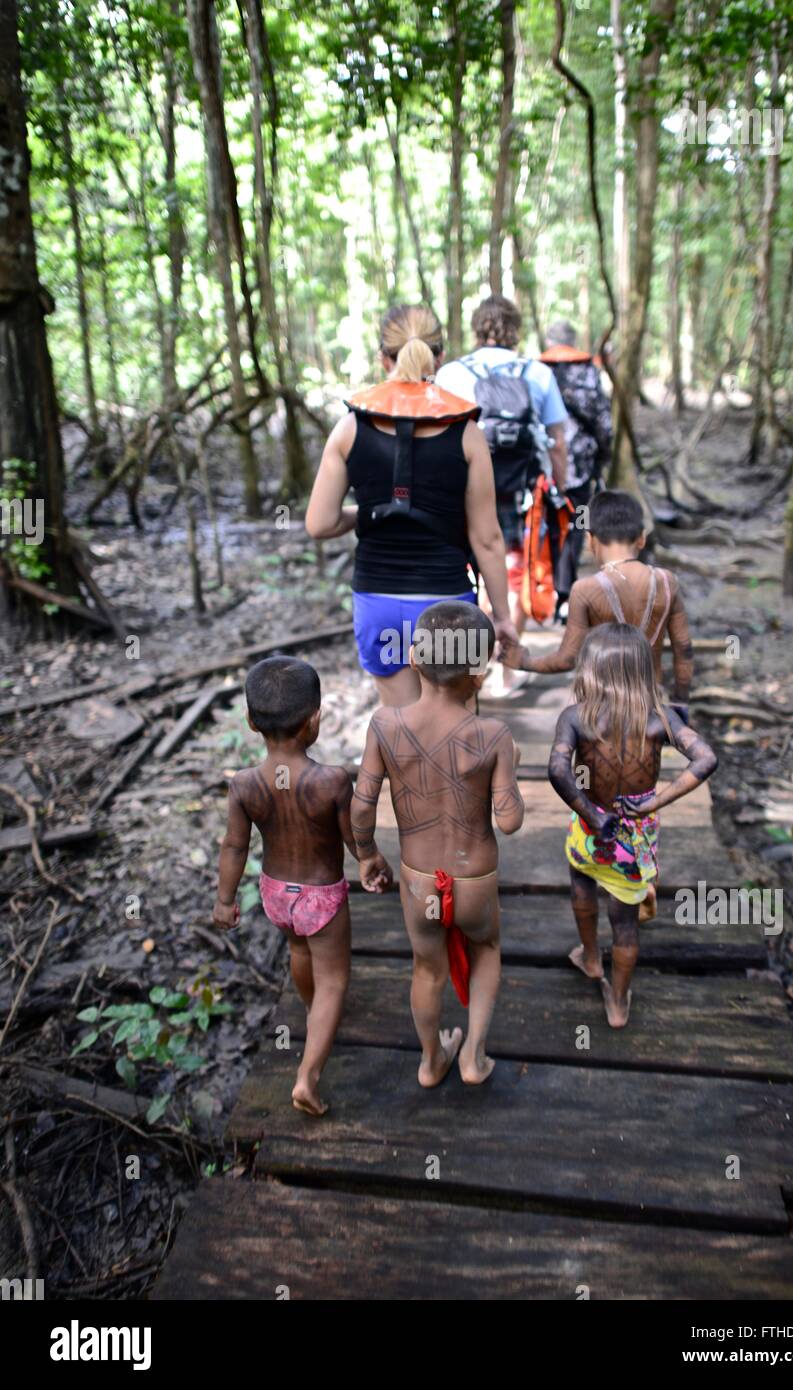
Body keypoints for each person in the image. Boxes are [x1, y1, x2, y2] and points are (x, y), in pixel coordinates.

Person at [306, 304, 518, 708]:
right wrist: (504, 618)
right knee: (455, 729)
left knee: (402, 727)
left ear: (382, 358)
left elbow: (319, 523)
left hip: (378, 600)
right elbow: (487, 538)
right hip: (448, 606)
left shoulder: (351, 427)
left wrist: (367, 513)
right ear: (440, 357)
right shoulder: (466, 432)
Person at [350, 601, 524, 1088]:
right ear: (480, 668)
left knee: (427, 968)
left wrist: (366, 854)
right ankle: (473, 1055)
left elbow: (361, 806)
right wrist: (509, 771)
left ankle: (430, 1062)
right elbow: (509, 821)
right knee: (486, 946)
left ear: (412, 655)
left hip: (419, 880)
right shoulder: (494, 735)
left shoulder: (385, 725)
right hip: (473, 880)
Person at [212, 655, 392, 1117]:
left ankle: (314, 1013)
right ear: (315, 721)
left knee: (299, 953)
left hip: (275, 895)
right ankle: (308, 1077)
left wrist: (224, 899)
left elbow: (234, 848)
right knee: (335, 979)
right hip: (322, 898)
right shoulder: (331, 781)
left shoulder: (244, 785)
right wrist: (370, 860)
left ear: (251, 722)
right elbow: (355, 838)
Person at [547, 624, 717, 1028]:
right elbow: (706, 758)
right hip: (634, 837)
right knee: (625, 924)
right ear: (644, 670)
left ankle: (590, 958)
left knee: (581, 882)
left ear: (589, 670)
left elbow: (557, 769)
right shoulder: (662, 719)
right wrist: (654, 802)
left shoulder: (575, 717)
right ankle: (619, 1003)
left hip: (591, 826)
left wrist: (591, 813)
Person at [435, 295, 568, 691]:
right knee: (517, 571)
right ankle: (510, 668)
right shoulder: (538, 373)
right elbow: (558, 442)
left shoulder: (452, 374)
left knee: (473, 570)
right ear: (515, 329)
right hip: (523, 491)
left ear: (477, 328)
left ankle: (478, 667)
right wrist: (560, 488)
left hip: (462, 492)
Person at [503, 489, 694, 711]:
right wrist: (680, 702)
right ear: (641, 538)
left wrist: (524, 662)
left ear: (590, 539)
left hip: (599, 712)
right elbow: (683, 649)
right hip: (648, 709)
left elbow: (567, 659)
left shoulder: (585, 590)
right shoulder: (666, 582)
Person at [538, 321, 612, 607]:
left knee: (552, 523)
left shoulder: (537, 371)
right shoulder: (588, 370)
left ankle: (556, 585)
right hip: (581, 465)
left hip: (545, 466)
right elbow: (603, 421)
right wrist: (604, 455)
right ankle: (565, 588)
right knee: (578, 521)